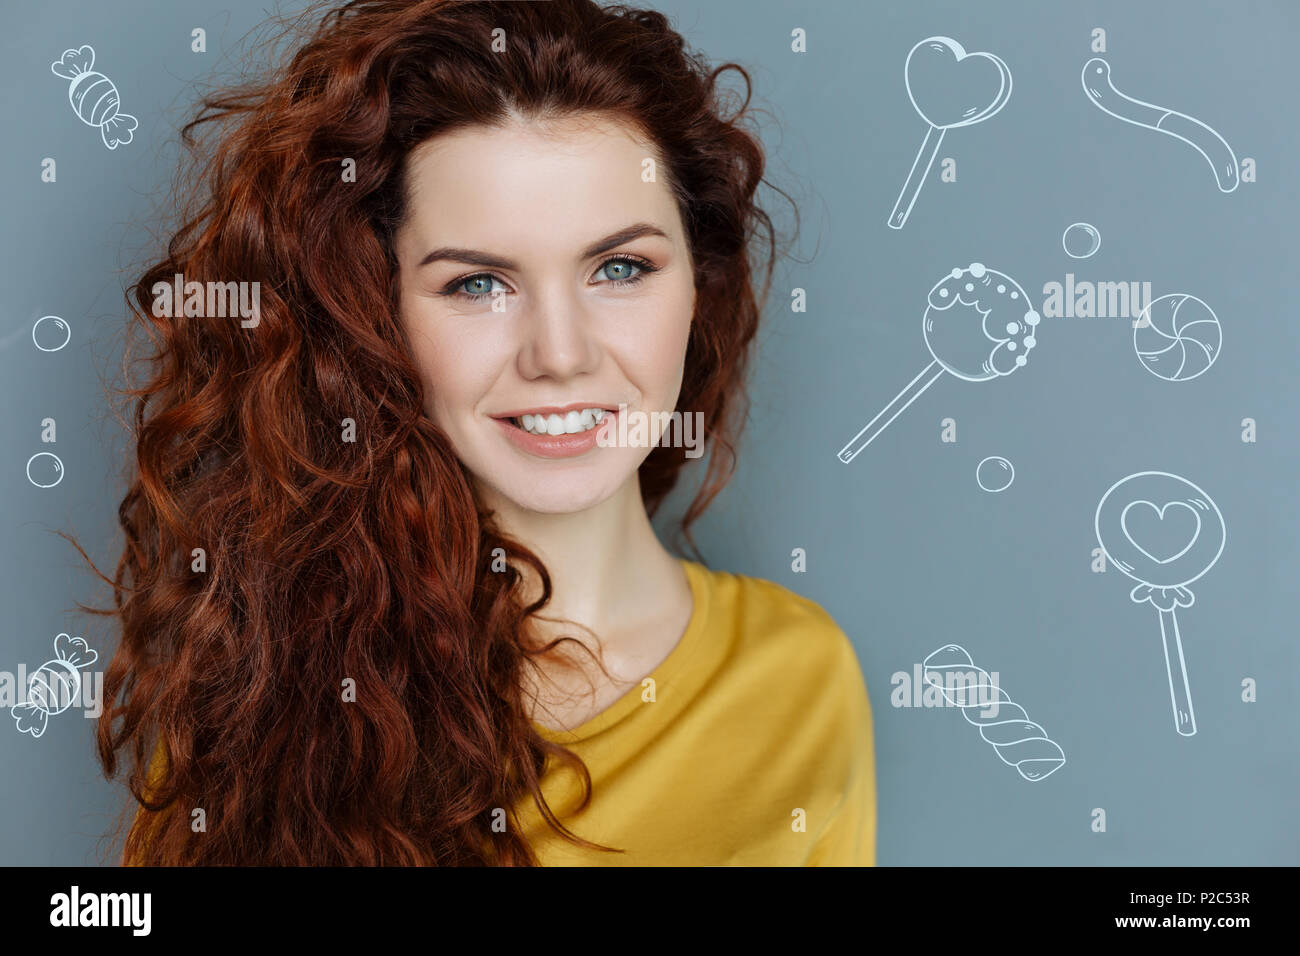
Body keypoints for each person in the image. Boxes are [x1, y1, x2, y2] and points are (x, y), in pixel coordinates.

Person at [83, 0, 875, 866]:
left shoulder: (804, 680)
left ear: (699, 286)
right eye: (476, 285)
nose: (559, 355)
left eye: (620, 268)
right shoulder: (269, 682)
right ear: (371, 315)